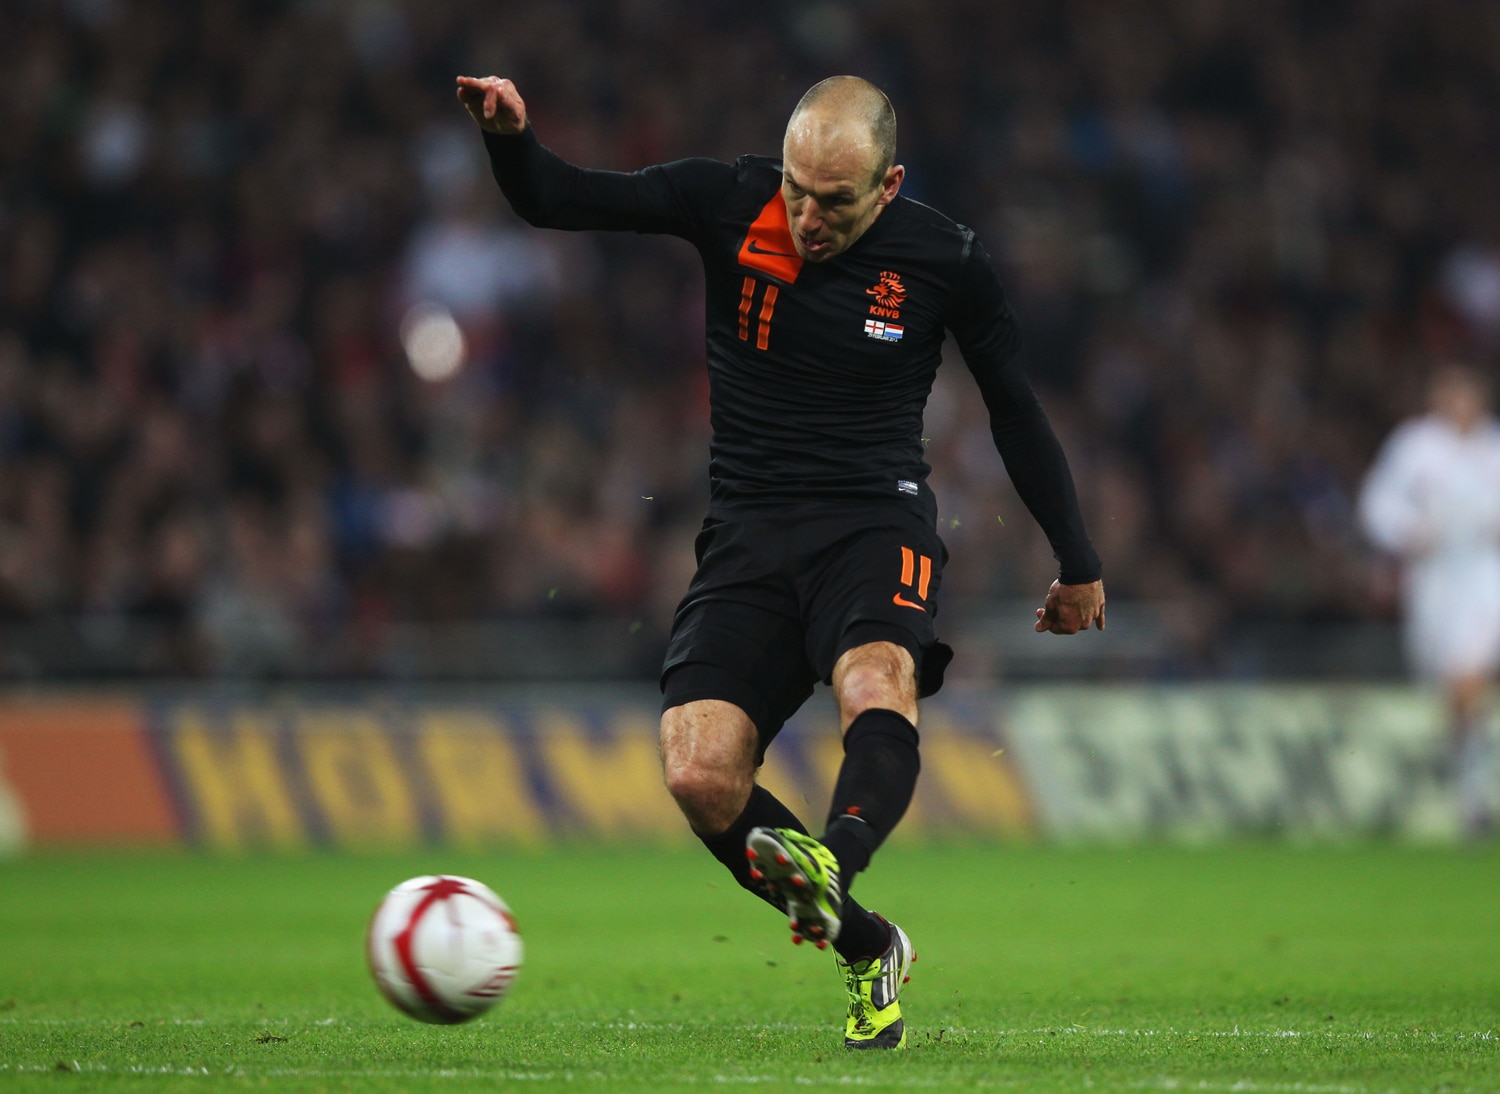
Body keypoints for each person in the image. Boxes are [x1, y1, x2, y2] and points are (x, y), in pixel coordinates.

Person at [457, 73, 1106, 1049]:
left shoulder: (944, 258)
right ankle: (868, 943)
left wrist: (1078, 560)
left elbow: (1014, 406)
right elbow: (556, 197)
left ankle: (834, 858)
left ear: (888, 187)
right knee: (697, 772)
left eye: (833, 201)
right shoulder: (728, 199)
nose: (805, 216)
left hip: (874, 523)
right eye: (797, 189)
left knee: (876, 681)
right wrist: (510, 138)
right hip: (748, 535)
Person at [1360, 364, 1500, 837]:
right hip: (1433, 579)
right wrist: (1409, 532)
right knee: (1446, 687)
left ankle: (1474, 796)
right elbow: (1376, 504)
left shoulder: (1494, 448)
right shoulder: (1415, 446)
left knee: (1468, 674)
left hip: (1485, 574)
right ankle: (1468, 785)